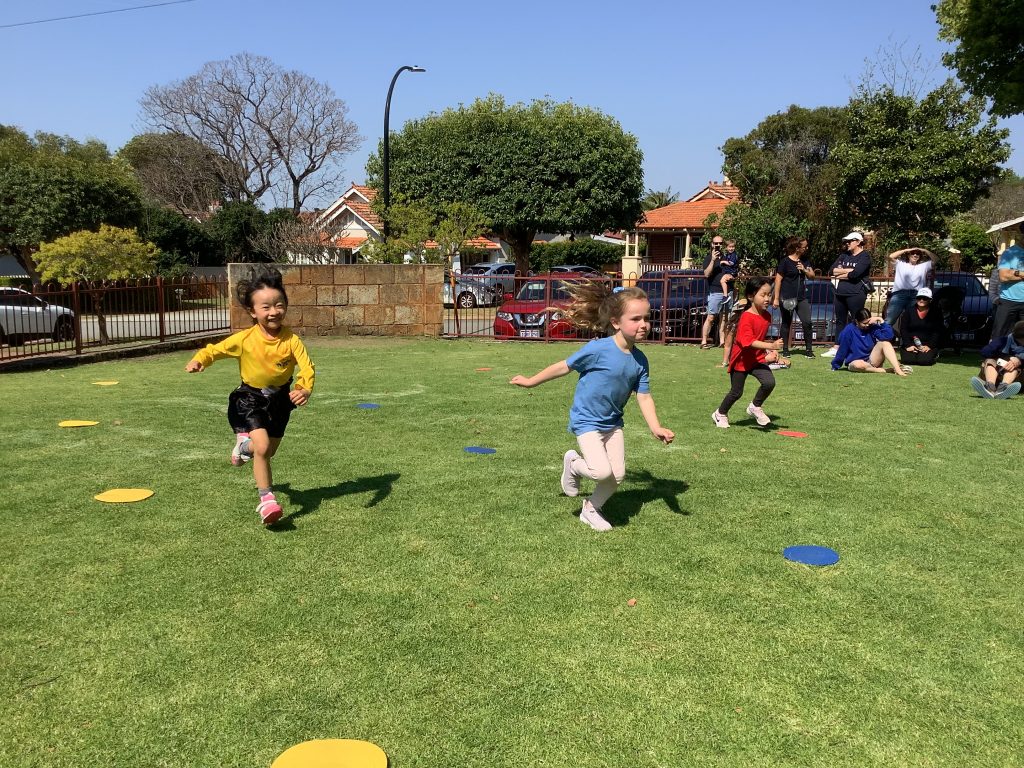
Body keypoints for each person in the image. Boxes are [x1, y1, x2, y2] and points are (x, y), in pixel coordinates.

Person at [509, 284, 674, 532]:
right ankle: (574, 464)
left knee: (616, 476)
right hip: (586, 420)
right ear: (616, 322)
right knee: (600, 471)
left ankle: (591, 509)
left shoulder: (641, 360)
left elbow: (644, 396)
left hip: (613, 424)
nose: (644, 325)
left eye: (647, 318)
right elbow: (564, 366)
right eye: (636, 318)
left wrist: (655, 426)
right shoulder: (599, 349)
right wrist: (531, 381)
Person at [185, 267, 315, 526]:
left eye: (279, 305)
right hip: (250, 399)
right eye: (266, 307)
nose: (274, 311)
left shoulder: (292, 340)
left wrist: (303, 387)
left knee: (267, 452)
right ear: (253, 312)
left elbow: (307, 366)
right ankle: (267, 501)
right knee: (264, 447)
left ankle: (243, 446)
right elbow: (216, 350)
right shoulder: (244, 339)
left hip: (280, 401)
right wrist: (200, 359)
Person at [712, 277, 785, 429]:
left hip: (756, 359)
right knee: (736, 392)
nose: (767, 298)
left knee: (769, 382)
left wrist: (768, 351)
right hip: (741, 360)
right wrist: (771, 344)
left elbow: (759, 338)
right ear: (751, 296)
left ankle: (755, 406)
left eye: (769, 295)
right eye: (763, 295)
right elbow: (748, 342)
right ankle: (720, 413)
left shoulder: (767, 316)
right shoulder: (746, 317)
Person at [822, 231, 874, 358]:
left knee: (859, 320)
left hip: (856, 293)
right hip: (840, 292)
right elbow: (831, 271)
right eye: (847, 241)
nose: (847, 243)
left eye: (850, 241)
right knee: (840, 321)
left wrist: (844, 273)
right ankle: (836, 347)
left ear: (858, 242)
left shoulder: (865, 256)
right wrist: (848, 271)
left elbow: (855, 274)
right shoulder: (844, 255)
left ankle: (860, 346)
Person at [831, 308, 909, 376]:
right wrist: (835, 365)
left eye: (868, 322)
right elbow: (843, 349)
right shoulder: (849, 330)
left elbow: (888, 336)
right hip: (855, 363)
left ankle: (897, 369)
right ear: (857, 321)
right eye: (864, 323)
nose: (867, 325)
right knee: (859, 365)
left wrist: (881, 321)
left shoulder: (872, 327)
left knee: (885, 343)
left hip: (872, 360)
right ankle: (885, 370)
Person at [772, 236, 816, 358]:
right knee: (786, 323)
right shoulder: (785, 262)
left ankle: (808, 350)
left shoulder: (805, 261)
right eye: (804, 246)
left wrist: (804, 270)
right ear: (797, 248)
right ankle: (785, 349)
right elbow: (778, 280)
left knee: (807, 322)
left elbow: (812, 276)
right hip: (786, 297)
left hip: (801, 297)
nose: (806, 248)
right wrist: (776, 298)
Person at [971, 319, 1024, 399]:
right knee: (990, 361)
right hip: (996, 372)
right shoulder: (1003, 341)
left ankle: (1003, 389)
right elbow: (985, 351)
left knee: (1014, 367)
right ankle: (990, 387)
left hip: (1015, 378)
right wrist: (1006, 358)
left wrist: (1020, 360)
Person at [885, 246, 935, 326]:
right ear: (908, 255)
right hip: (899, 294)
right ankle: (882, 337)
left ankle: (907, 337)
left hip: (916, 296)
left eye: (918, 254)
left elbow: (936, 260)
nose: (915, 255)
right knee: (890, 319)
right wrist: (906, 250)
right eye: (913, 253)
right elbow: (890, 256)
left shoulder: (924, 266)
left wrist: (924, 250)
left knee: (912, 320)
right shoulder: (900, 264)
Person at [898, 287, 944, 366]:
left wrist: (930, 346)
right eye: (919, 298)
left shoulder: (936, 312)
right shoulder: (908, 311)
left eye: (925, 298)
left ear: (930, 300)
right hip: (911, 343)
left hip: (928, 344)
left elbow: (938, 330)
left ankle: (934, 354)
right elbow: (903, 329)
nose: (921, 300)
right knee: (908, 361)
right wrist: (908, 345)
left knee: (924, 361)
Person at [993, 223, 1024, 338]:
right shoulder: (1010, 253)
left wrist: (1014, 272)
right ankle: (996, 356)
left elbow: (1008, 274)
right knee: (1000, 337)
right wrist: (1021, 273)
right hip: (1008, 301)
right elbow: (1003, 276)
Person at [700, 235, 730, 348]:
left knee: (724, 317)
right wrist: (713, 260)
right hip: (715, 291)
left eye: (720, 243)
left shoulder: (727, 257)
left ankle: (722, 341)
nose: (718, 245)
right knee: (711, 317)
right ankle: (704, 341)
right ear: (712, 244)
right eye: (716, 243)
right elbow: (706, 274)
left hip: (727, 291)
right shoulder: (708, 258)